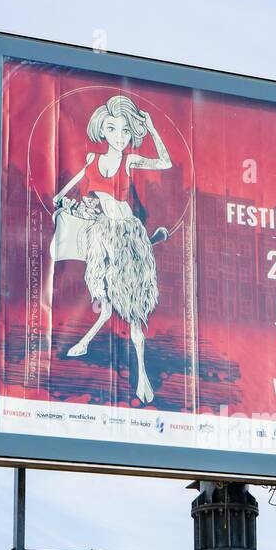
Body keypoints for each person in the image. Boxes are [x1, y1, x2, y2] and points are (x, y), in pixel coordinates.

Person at [50, 94, 172, 403]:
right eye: (113, 129)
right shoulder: (92, 161)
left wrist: (153, 129)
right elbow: (61, 197)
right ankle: (87, 342)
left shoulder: (130, 160)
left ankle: (142, 373)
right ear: (102, 131)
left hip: (128, 236)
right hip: (102, 236)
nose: (120, 136)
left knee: (133, 307)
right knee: (104, 296)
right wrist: (76, 206)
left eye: (126, 131)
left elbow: (165, 162)